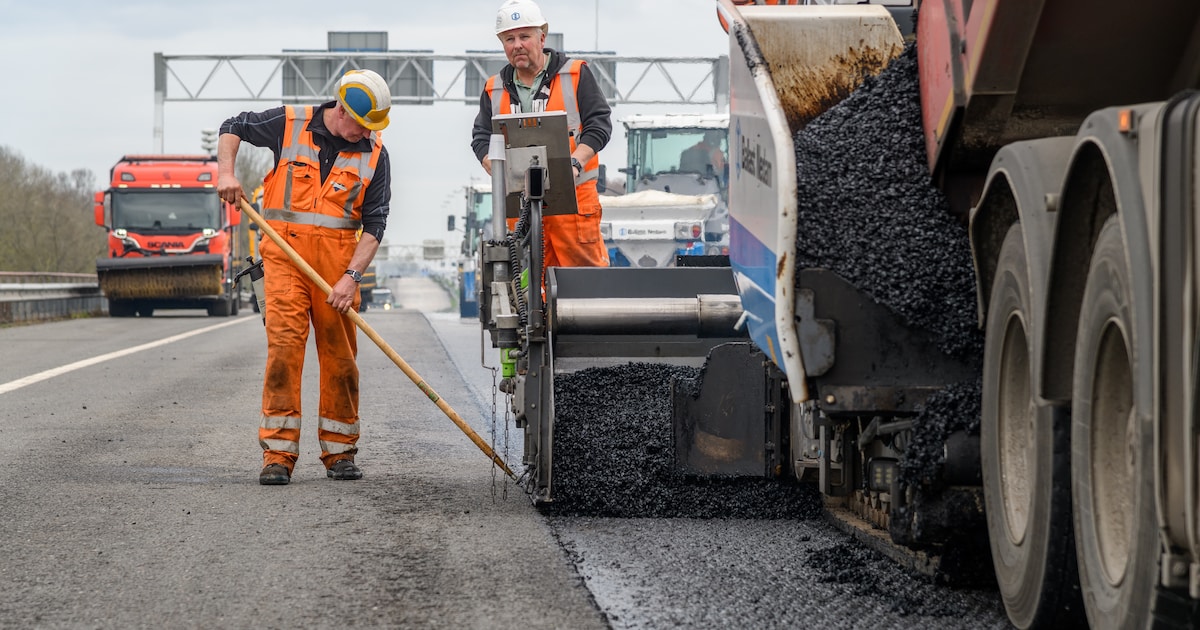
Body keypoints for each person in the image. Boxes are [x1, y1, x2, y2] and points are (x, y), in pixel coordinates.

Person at [215, 69, 392, 485]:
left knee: (341, 360)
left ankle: (340, 452)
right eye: (360, 125)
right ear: (341, 109)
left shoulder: (375, 154)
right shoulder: (289, 122)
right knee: (284, 351)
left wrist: (352, 277)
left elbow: (375, 223)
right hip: (284, 262)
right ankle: (278, 455)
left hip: (336, 271)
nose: (364, 134)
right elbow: (231, 128)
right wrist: (226, 173)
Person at [470, 0, 612, 268]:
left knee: (583, 289)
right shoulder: (494, 89)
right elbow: (480, 137)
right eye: (509, 39)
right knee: (527, 287)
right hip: (519, 204)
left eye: (524, 36)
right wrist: (493, 164)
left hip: (574, 203)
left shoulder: (575, 74)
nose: (517, 45)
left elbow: (599, 125)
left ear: (541, 37)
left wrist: (574, 163)